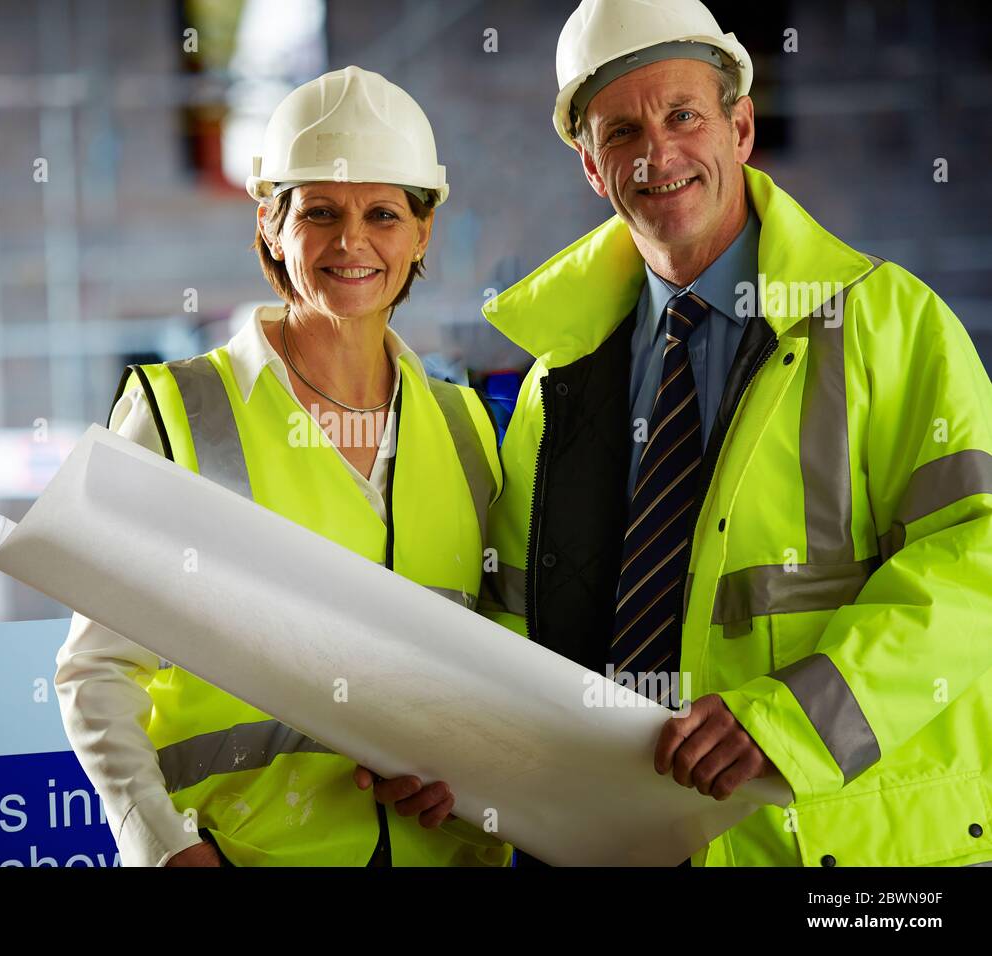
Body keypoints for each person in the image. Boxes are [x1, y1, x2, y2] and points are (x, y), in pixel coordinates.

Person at [480, 0, 992, 867]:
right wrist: (460, 768)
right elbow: (512, 627)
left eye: (683, 115)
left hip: (839, 847)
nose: (657, 154)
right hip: (621, 841)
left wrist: (788, 724)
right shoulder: (555, 386)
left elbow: (976, 561)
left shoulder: (885, 323)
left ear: (741, 127)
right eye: (621, 133)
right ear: (591, 169)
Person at [55, 65, 509, 867]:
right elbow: (95, 671)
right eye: (321, 213)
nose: (353, 242)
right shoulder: (177, 414)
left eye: (383, 214)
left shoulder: (466, 428)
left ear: (423, 232)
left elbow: (499, 674)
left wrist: (472, 776)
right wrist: (163, 849)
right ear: (269, 224)